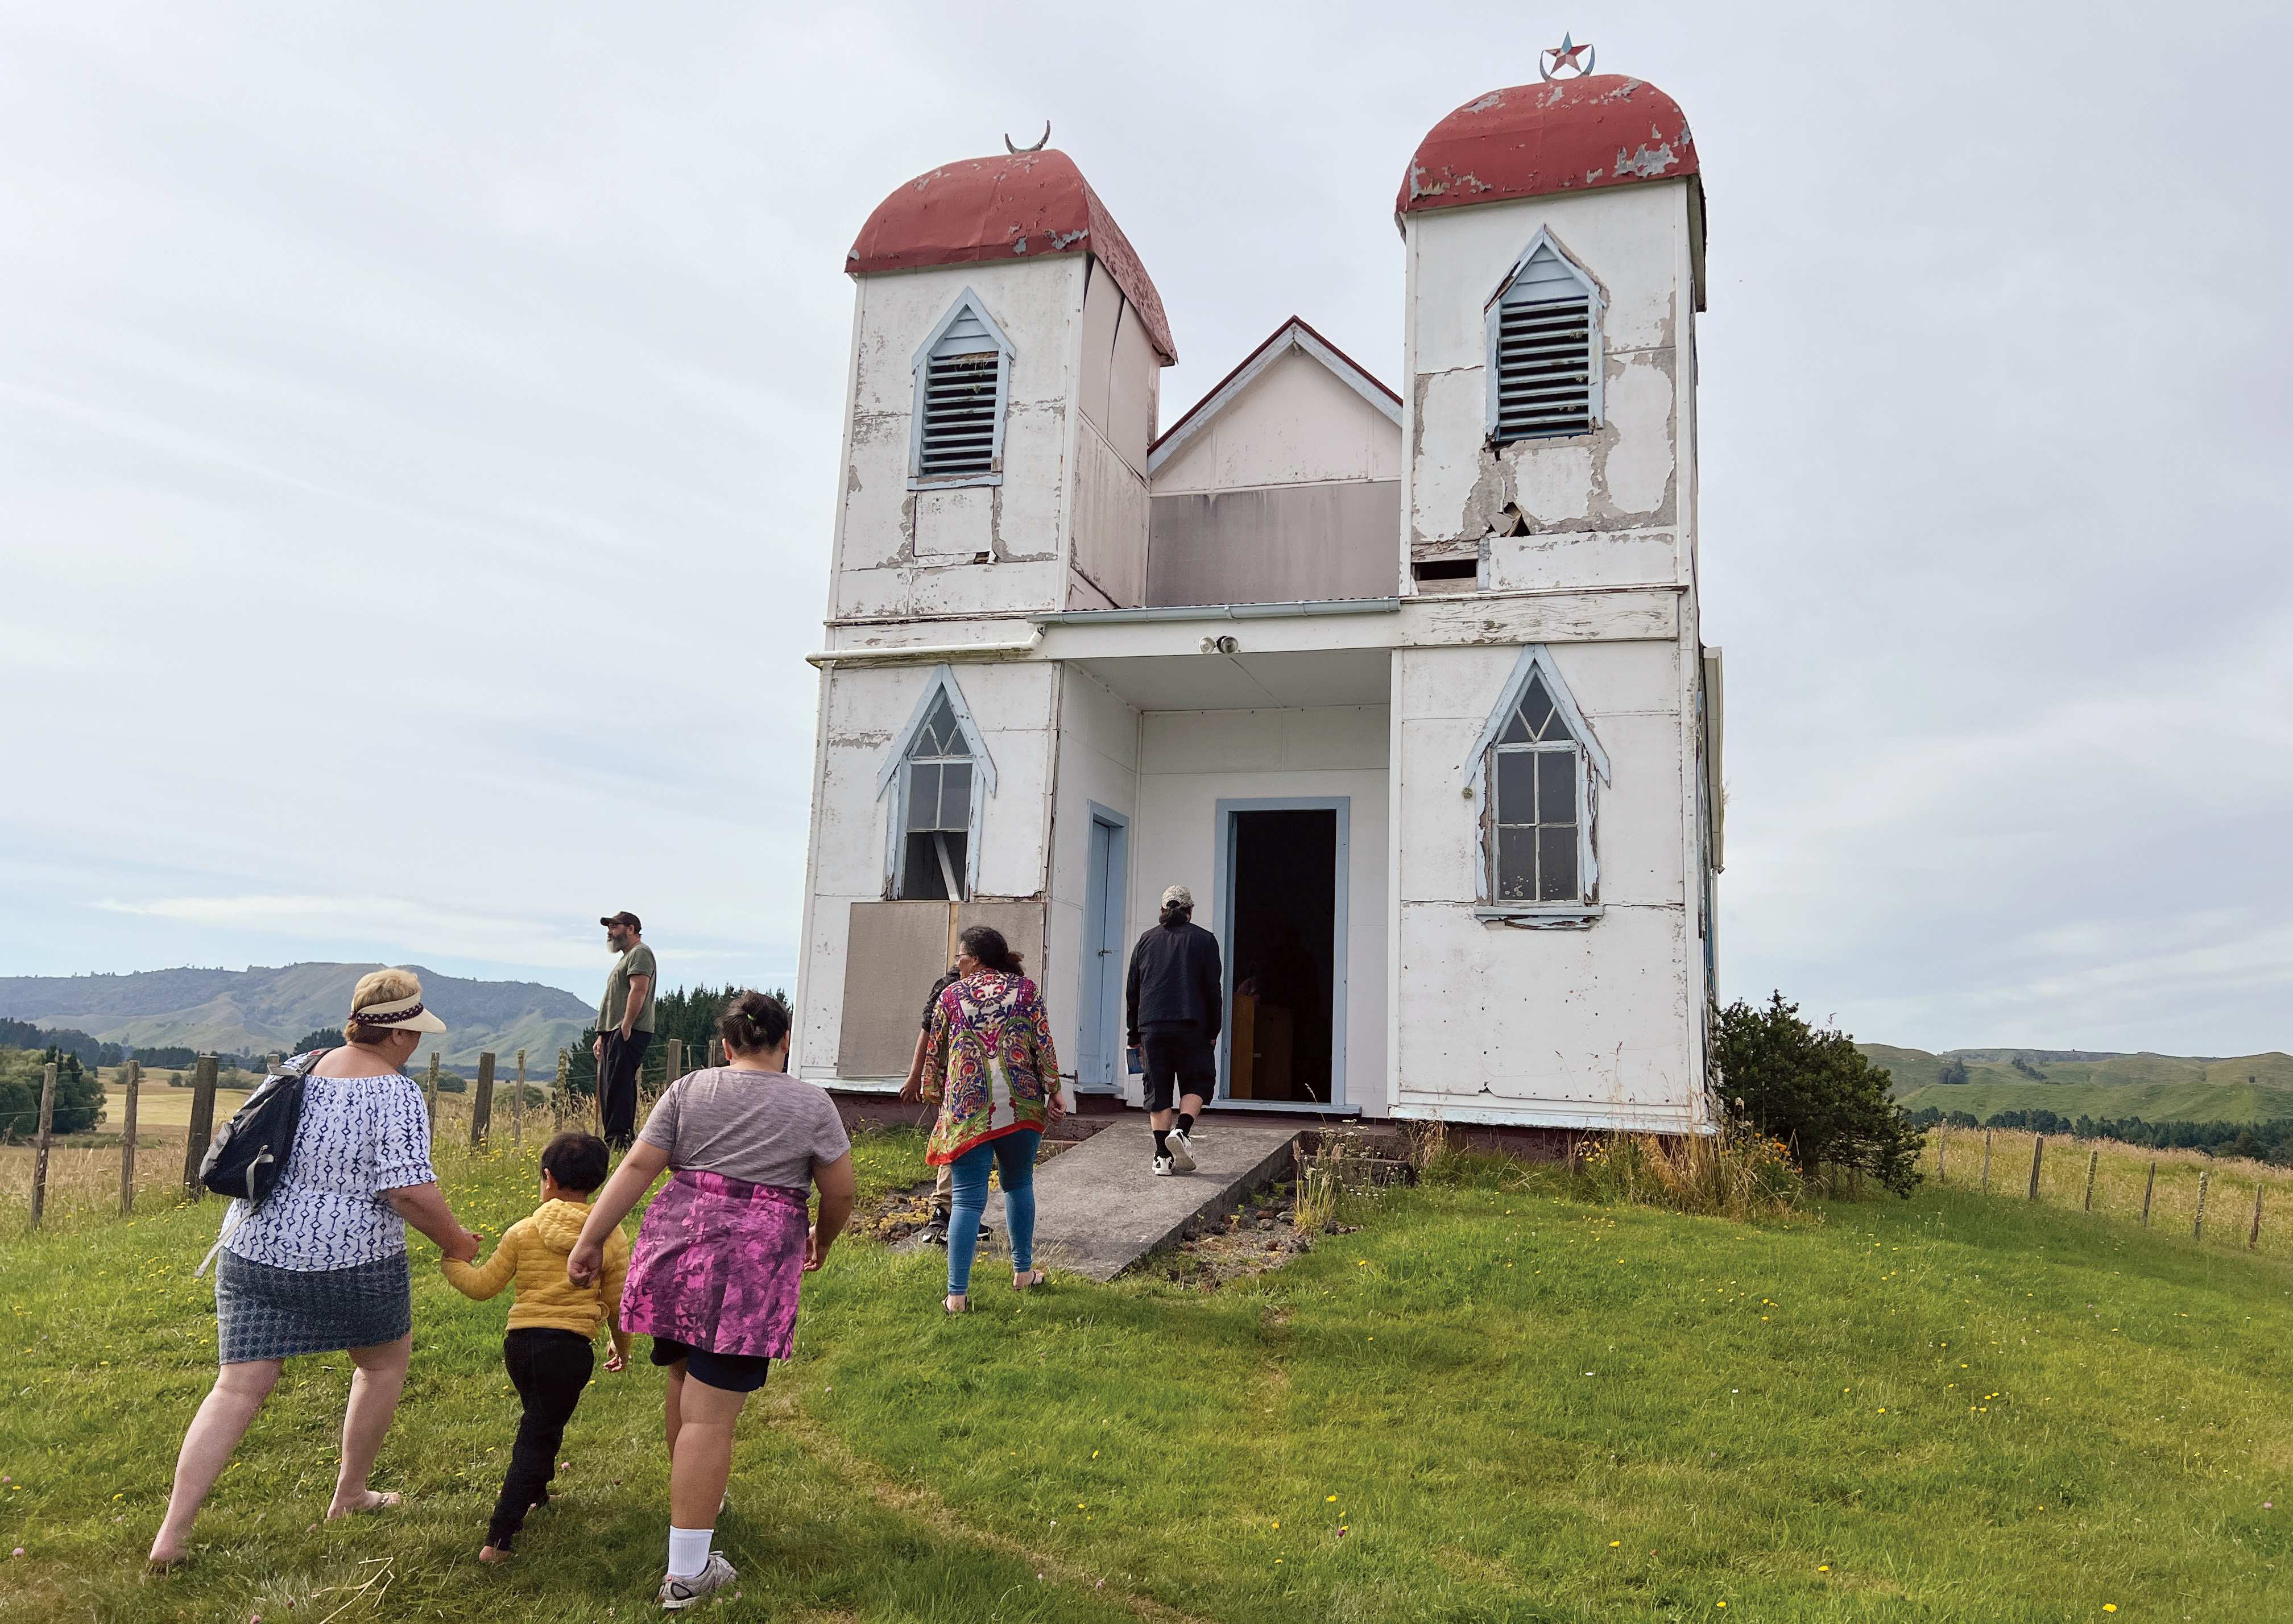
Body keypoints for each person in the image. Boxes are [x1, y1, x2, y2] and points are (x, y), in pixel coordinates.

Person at [149, 968, 481, 1568]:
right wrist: (456, 1242)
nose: (417, 1042)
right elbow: (407, 1191)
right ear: (398, 1033)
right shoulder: (397, 1094)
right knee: (381, 1365)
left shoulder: (300, 1065)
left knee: (236, 1387)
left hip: (253, 1251)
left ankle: (171, 1536)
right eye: (415, 1031)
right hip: (353, 1262)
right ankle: (350, 1494)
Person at [567, 990, 857, 1611]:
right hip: (750, 1266)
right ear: (784, 1043)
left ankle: (697, 1500)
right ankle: (688, 1574)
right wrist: (824, 1239)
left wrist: (590, 1239)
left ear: (727, 1046)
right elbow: (840, 1193)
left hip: (678, 1249)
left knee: (682, 1378)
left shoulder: (690, 1089)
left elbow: (636, 1168)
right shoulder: (812, 1104)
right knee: (711, 1415)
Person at [442, 1130, 632, 1565]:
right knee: (538, 1434)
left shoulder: (523, 1231)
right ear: (598, 1183)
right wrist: (622, 1348)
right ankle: (498, 1541)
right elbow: (619, 1304)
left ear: (548, 1179)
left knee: (542, 1420)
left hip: (521, 1346)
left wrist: (452, 1261)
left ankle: (537, 1494)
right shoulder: (610, 1237)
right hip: (568, 1351)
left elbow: (482, 1286)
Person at [921, 925, 1063, 1314]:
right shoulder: (1027, 991)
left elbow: (936, 1052)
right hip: (1021, 1102)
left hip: (968, 1106)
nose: (958, 964)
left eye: (960, 957)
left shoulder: (951, 996)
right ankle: (1023, 1272)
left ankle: (956, 1297)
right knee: (1019, 1184)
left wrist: (934, 1092)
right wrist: (1054, 1089)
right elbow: (1043, 1044)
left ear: (976, 959)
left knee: (967, 1200)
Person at [1124, 883, 1223, 1175]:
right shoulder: (1205, 940)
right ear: (1190, 911)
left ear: (1162, 909)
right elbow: (1213, 991)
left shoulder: (1146, 940)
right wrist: (1214, 1030)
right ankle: (1182, 1131)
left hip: (1152, 1026)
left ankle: (1162, 1158)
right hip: (1193, 1025)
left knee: (1158, 1090)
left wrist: (1133, 1034)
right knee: (1198, 1082)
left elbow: (1133, 991)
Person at [900, 962, 983, 1249]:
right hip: (954, 1079)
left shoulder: (988, 989)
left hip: (978, 1081)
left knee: (973, 1144)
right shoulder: (949, 987)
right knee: (954, 1140)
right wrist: (916, 1077)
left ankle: (964, 1213)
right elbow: (927, 1032)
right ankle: (943, 1212)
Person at [593, 910, 657, 1149]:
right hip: (616, 1031)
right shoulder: (628, 957)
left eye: (614, 927)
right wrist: (603, 1035)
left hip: (629, 1030)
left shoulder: (640, 953)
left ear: (631, 929)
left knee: (619, 1087)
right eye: (609, 928)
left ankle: (619, 1141)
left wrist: (626, 1026)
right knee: (611, 1086)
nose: (610, 932)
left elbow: (639, 990)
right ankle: (616, 1140)